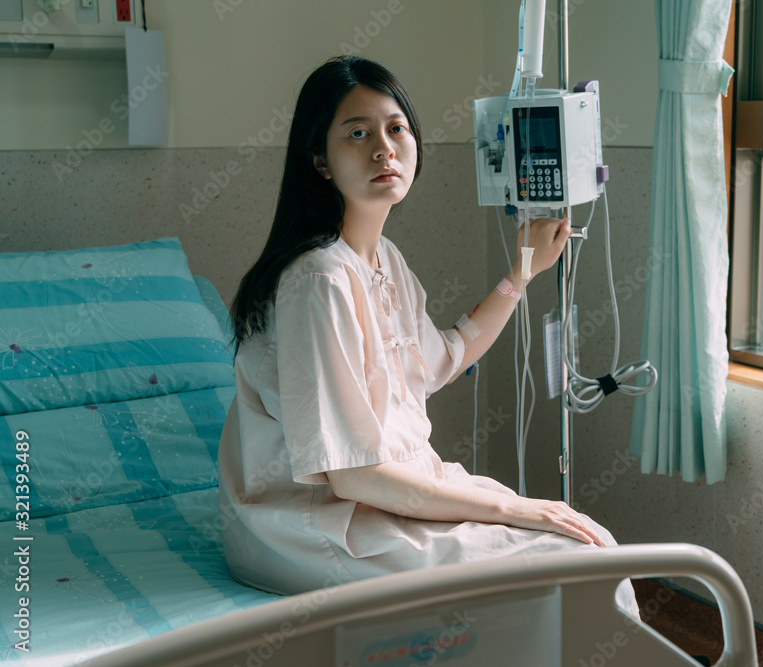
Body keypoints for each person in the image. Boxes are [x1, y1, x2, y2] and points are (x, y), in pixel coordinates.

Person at [218, 55, 636, 613]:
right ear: (319, 160)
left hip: (395, 489)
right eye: (358, 134)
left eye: (396, 129)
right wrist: (514, 509)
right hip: (319, 523)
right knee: (572, 567)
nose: (383, 148)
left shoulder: (383, 259)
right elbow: (352, 475)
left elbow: (447, 355)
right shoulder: (318, 281)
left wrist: (521, 273)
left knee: (591, 547)